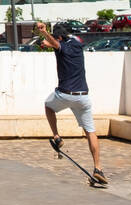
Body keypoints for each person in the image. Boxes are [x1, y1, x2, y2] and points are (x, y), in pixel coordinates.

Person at [35, 20, 108, 186]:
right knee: (91, 131)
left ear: (59, 37)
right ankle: (98, 168)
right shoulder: (76, 44)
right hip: (83, 97)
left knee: (48, 106)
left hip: (65, 94)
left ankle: (57, 136)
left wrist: (44, 32)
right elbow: (54, 43)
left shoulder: (61, 46)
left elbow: (55, 43)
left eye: (55, 38)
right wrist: (45, 43)